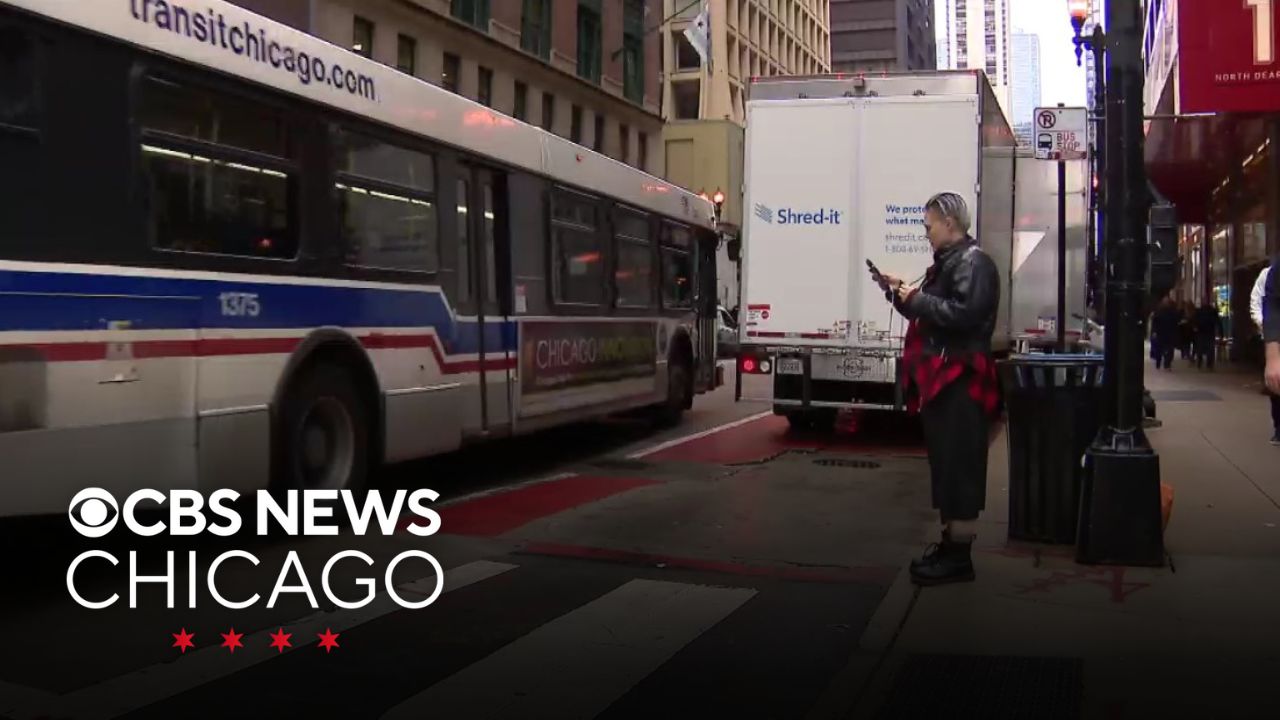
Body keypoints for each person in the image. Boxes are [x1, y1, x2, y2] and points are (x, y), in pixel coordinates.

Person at [875, 192, 1001, 586]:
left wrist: (915, 299)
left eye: (929, 225)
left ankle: (958, 556)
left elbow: (963, 315)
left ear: (949, 223)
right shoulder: (953, 263)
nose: (925, 232)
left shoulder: (974, 264)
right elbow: (932, 312)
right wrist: (900, 295)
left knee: (959, 466)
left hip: (959, 379)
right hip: (945, 379)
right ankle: (951, 547)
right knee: (948, 465)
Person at [1252, 263, 1280, 444]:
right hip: (1276, 337)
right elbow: (1263, 304)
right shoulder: (1269, 273)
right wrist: (1273, 352)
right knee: (1276, 390)